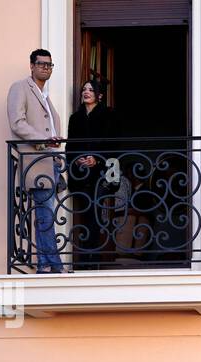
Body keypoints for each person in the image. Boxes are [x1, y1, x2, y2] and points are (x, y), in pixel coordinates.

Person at [7, 49, 64, 273]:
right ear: (31, 66)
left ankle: (44, 265)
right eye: (41, 64)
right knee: (45, 215)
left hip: (50, 163)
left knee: (45, 215)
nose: (45, 68)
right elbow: (17, 123)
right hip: (36, 165)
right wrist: (44, 140)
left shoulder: (44, 96)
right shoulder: (20, 88)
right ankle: (55, 266)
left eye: (49, 65)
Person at [65, 77, 119, 269]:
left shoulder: (109, 115)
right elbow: (71, 146)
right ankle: (84, 261)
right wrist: (78, 158)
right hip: (81, 174)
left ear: (100, 95)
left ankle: (94, 261)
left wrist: (97, 158)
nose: (85, 92)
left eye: (90, 89)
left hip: (102, 174)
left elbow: (115, 144)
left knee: (96, 215)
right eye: (84, 90)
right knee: (85, 214)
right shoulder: (75, 118)